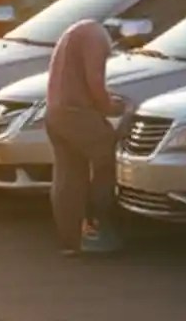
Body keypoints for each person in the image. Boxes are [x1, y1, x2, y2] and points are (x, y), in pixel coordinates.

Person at [45, 19, 123, 257]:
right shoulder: (96, 38)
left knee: (68, 176)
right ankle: (99, 225)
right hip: (77, 113)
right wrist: (110, 106)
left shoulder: (75, 31)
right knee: (109, 158)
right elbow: (95, 80)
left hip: (56, 112)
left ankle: (70, 240)